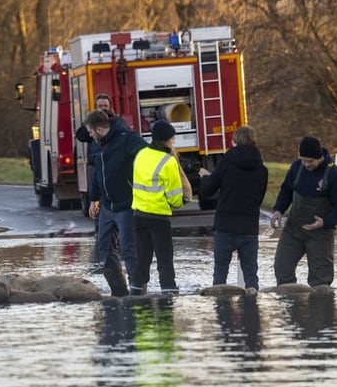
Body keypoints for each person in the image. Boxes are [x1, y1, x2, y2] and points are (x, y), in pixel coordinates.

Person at [84, 109, 148, 296]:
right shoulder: (98, 145)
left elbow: (147, 155)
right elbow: (98, 172)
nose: (89, 135)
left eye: (90, 132)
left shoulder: (127, 138)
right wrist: (93, 198)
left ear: (98, 129)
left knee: (129, 248)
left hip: (127, 204)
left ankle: (138, 290)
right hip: (106, 205)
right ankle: (118, 290)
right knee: (104, 246)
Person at [270, 136, 337, 287]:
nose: (306, 164)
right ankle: (290, 300)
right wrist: (278, 210)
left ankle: (320, 301)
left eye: (310, 161)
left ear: (319, 157)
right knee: (282, 268)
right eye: (303, 160)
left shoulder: (334, 175)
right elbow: (286, 190)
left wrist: (325, 222)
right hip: (293, 231)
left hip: (320, 234)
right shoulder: (296, 167)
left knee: (320, 280)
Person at [198, 125, 269, 289]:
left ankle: (220, 304)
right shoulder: (262, 170)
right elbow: (259, 198)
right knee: (251, 276)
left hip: (225, 226)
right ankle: (252, 303)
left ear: (235, 142)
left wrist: (205, 177)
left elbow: (207, 191)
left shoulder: (226, 163)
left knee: (220, 275)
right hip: (249, 228)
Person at [129, 120, 185, 295]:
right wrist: (182, 200)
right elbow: (175, 198)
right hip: (159, 216)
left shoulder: (141, 154)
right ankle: (168, 290)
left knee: (142, 257)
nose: (173, 142)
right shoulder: (168, 162)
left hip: (139, 214)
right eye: (172, 139)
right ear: (166, 140)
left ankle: (136, 289)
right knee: (164, 257)